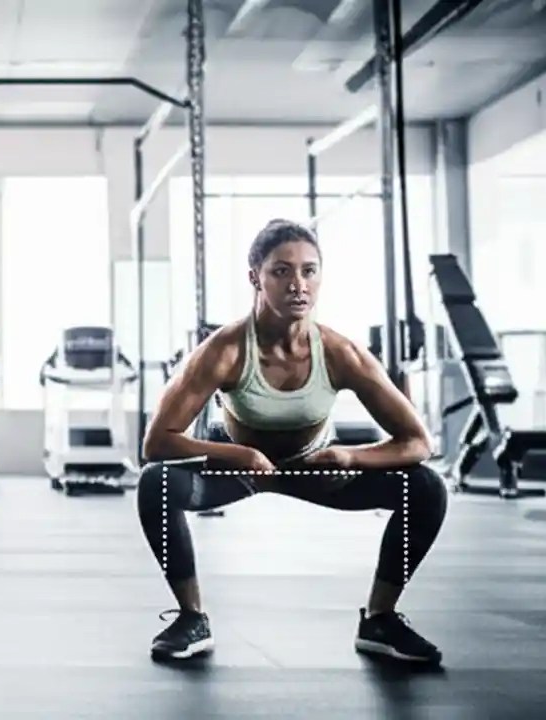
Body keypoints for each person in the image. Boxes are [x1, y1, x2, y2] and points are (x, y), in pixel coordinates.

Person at [137, 219, 447, 665]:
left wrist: (349, 456)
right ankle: (190, 617)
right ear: (255, 278)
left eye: (309, 271)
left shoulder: (341, 352)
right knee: (156, 483)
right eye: (281, 271)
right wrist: (239, 453)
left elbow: (417, 441)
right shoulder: (224, 349)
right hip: (239, 471)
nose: (298, 284)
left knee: (426, 488)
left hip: (318, 469)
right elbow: (157, 441)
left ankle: (380, 618)